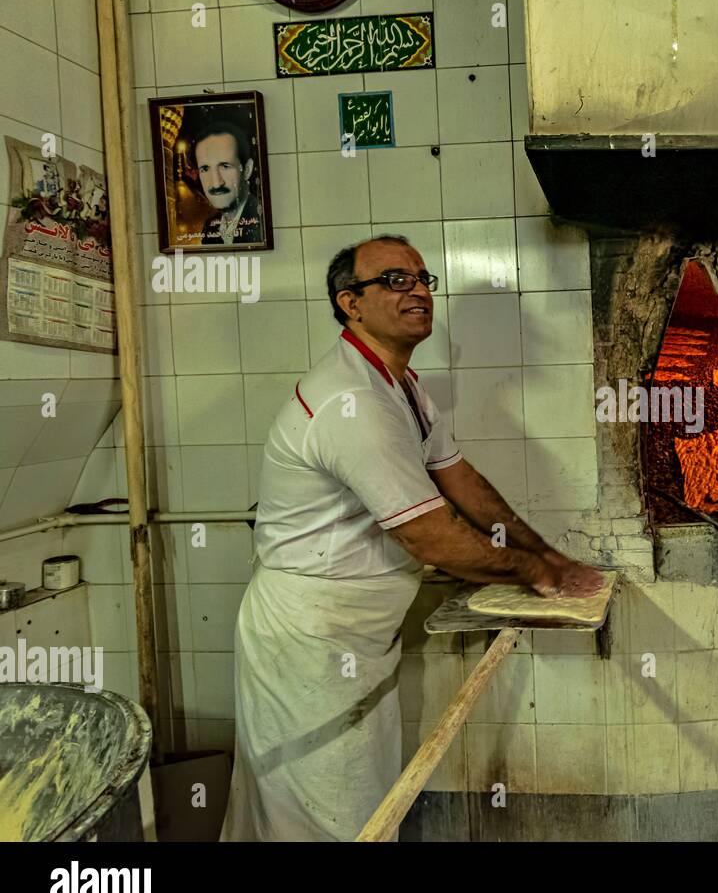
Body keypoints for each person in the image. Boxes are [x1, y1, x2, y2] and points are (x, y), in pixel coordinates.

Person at [220, 235, 603, 841]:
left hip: (355, 631)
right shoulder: (354, 402)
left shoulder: (402, 386)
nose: (419, 290)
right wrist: (540, 576)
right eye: (395, 280)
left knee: (360, 800)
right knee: (329, 815)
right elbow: (433, 539)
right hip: (310, 641)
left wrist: (548, 552)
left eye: (423, 278)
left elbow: (461, 481)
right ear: (351, 302)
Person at [191, 120, 263, 246]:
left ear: (247, 169)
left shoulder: (262, 220)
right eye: (205, 169)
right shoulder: (210, 228)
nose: (216, 183)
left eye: (225, 166)